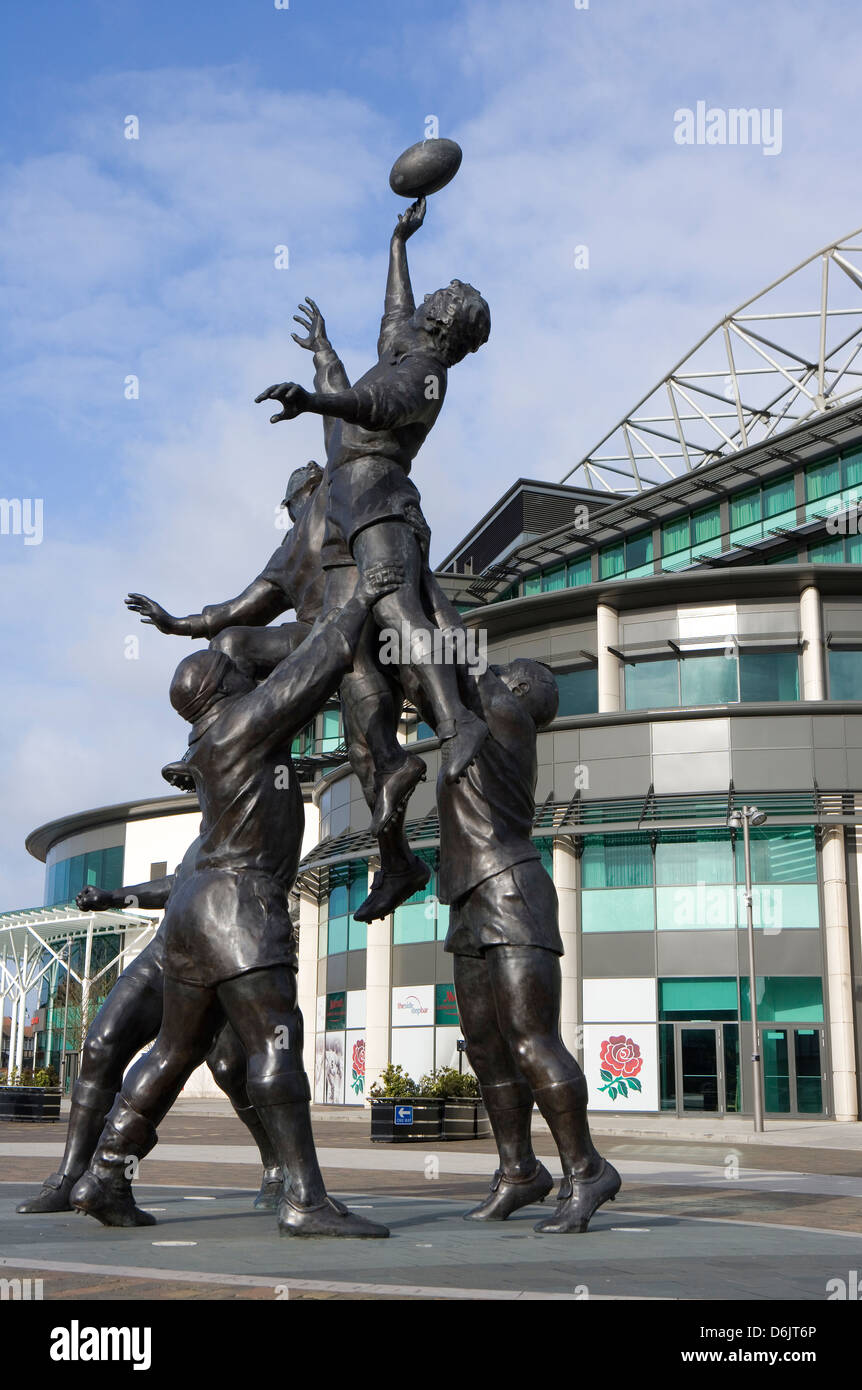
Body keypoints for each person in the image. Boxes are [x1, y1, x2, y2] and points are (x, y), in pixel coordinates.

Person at [71, 565, 402, 1237]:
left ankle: (105, 1174)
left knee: (172, 1050)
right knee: (276, 1042)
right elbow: (322, 662)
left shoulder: (208, 740)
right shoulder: (243, 722)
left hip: (191, 912)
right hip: (240, 906)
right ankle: (305, 1200)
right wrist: (365, 593)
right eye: (234, 671)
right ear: (223, 688)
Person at [125, 301, 432, 922]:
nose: (300, 505)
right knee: (248, 653)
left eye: (299, 495)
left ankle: (390, 850)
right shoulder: (298, 539)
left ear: (305, 490)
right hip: (327, 638)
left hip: (354, 630)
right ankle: (238, 746)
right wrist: (176, 622)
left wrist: (322, 353)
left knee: (360, 735)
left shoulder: (338, 494)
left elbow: (343, 400)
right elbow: (241, 606)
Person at [255, 196, 491, 795]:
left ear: (449, 320)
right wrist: (398, 244)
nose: (439, 292)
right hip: (355, 506)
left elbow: (373, 406)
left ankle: (457, 721)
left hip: (383, 501)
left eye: (449, 292)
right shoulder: (407, 348)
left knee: (394, 609)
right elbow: (396, 310)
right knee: (362, 634)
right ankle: (391, 762)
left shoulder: (425, 376)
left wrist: (314, 401)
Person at [426, 589, 621, 1233]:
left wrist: (423, 582)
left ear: (520, 688)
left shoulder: (506, 716)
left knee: (532, 1040)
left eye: (502, 671)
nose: (491, 673)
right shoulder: (479, 726)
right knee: (484, 1043)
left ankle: (587, 1170)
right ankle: (518, 1170)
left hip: (514, 893)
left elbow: (447, 646)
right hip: (470, 898)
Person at [16, 845, 282, 1215]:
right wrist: (113, 897)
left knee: (230, 1070)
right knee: (100, 1046)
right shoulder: (207, 828)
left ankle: (277, 1166)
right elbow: (177, 884)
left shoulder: (255, 814)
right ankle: (71, 1176)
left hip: (217, 959)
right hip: (164, 953)